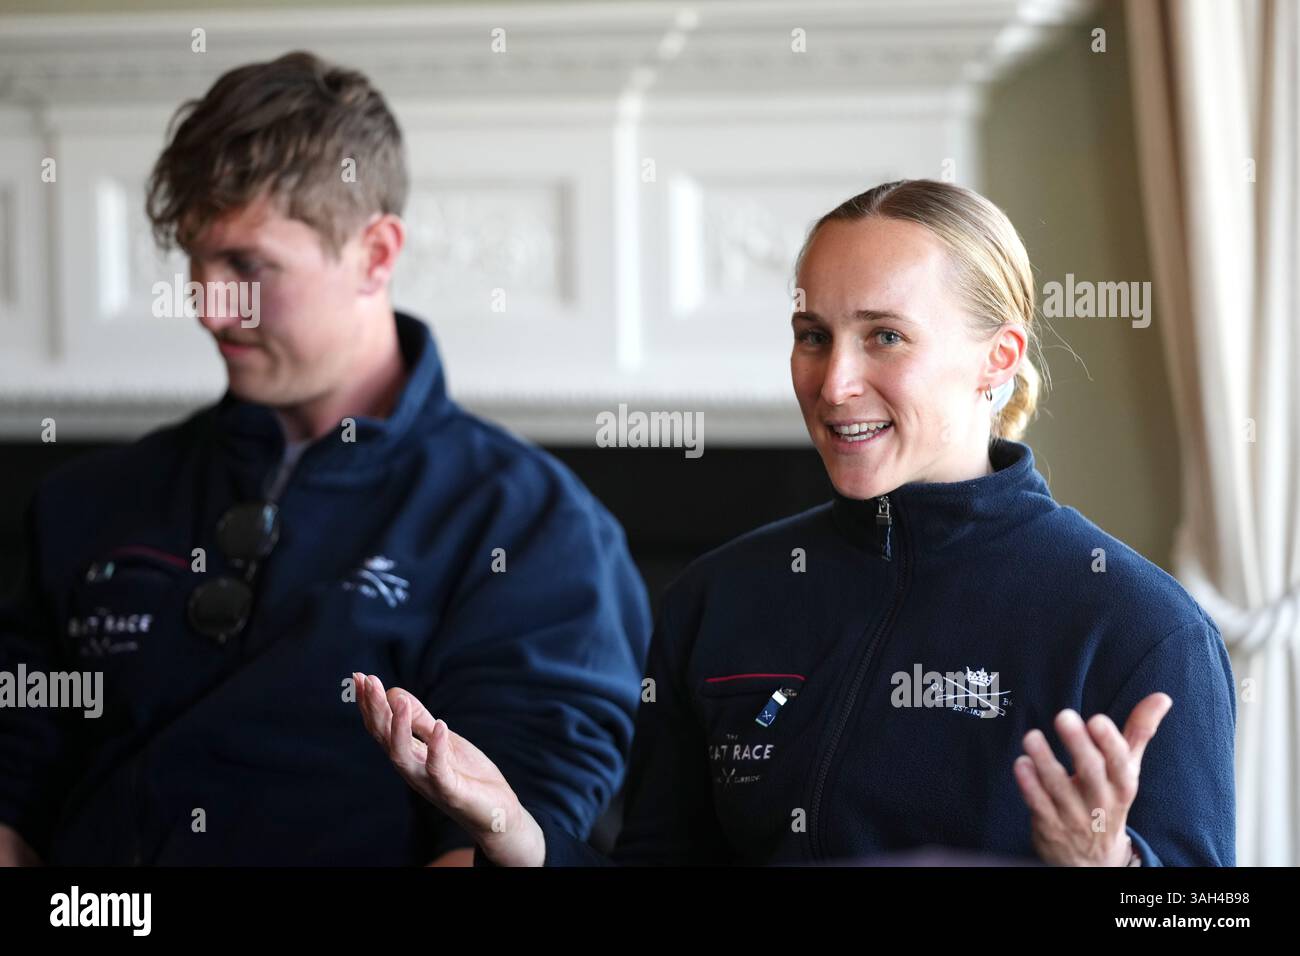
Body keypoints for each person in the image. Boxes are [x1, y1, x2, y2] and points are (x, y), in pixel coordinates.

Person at [357, 179, 1236, 867]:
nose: (833, 381)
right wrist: (515, 831)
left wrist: (1109, 864)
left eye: (885, 336)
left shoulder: (1137, 626)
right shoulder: (718, 596)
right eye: (812, 335)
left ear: (995, 358)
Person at [0, 51, 651, 866]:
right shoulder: (87, 503)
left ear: (376, 253)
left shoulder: (531, 526)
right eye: (194, 262)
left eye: (246, 266)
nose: (207, 307)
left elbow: (512, 824)